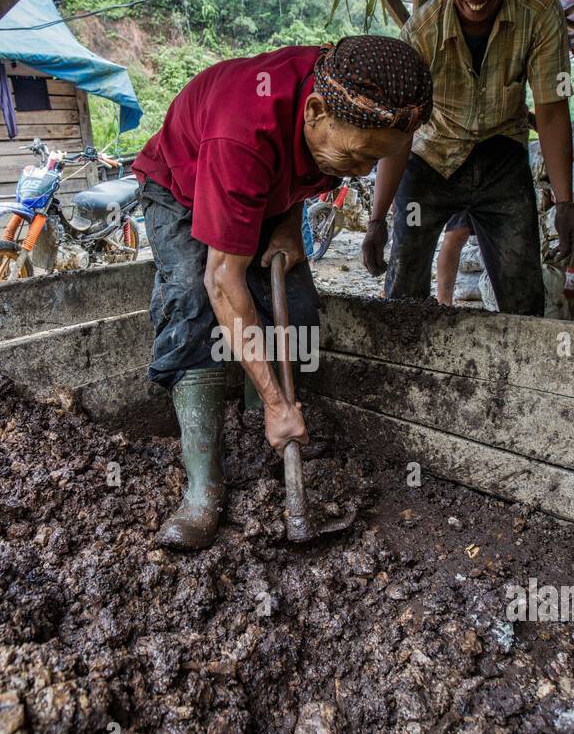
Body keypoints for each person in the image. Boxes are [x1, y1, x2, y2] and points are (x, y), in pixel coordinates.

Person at [131, 36, 434, 550]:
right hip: (186, 183)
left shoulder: (350, 87)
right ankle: (204, 487)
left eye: (373, 163)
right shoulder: (242, 133)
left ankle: (262, 448)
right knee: (190, 304)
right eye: (356, 158)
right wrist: (277, 399)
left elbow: (309, 165)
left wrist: (290, 222)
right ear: (314, 110)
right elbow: (222, 280)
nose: (360, 173)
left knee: (295, 309)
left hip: (265, 186)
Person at [362, 0, 574, 312]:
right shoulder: (422, 31)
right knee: (403, 293)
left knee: (523, 299)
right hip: (430, 159)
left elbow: (550, 112)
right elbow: (402, 131)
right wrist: (378, 218)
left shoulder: (541, 13)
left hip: (502, 159)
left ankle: (520, 368)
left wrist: (566, 204)